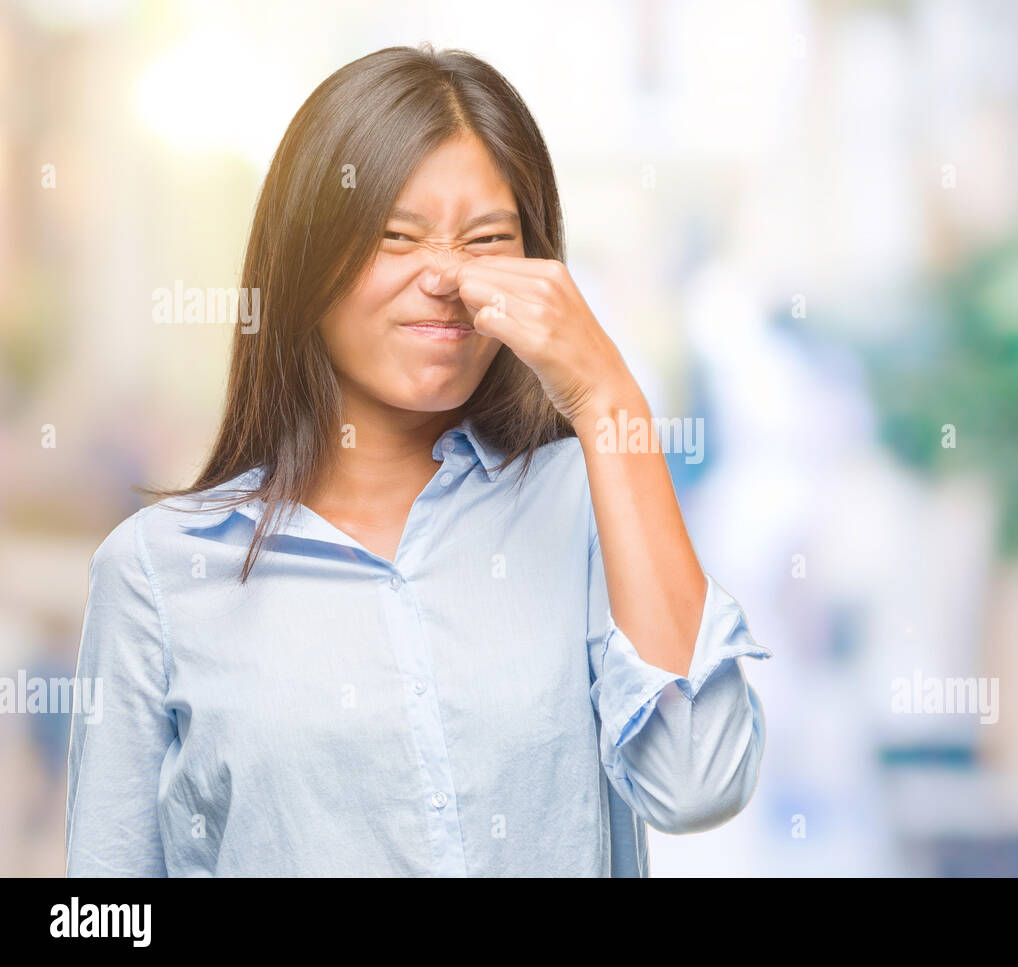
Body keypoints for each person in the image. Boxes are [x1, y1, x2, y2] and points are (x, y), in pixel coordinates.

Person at [64, 44, 771, 876]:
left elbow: (700, 783)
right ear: (305, 259)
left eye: (486, 240)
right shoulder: (157, 574)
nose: (445, 277)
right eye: (396, 236)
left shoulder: (583, 506)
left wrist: (610, 398)